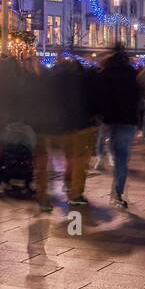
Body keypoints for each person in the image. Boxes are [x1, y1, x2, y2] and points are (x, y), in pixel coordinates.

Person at [93, 44, 141, 209]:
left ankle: (116, 186)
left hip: (110, 118)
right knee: (122, 156)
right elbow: (138, 97)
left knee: (114, 149)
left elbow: (99, 97)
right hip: (128, 120)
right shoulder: (132, 73)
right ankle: (118, 192)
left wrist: (99, 114)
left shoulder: (104, 74)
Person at [50, 53, 98, 207]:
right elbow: (92, 101)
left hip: (64, 125)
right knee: (80, 160)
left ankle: (69, 183)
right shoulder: (85, 81)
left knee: (70, 157)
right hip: (82, 124)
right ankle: (75, 193)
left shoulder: (59, 81)